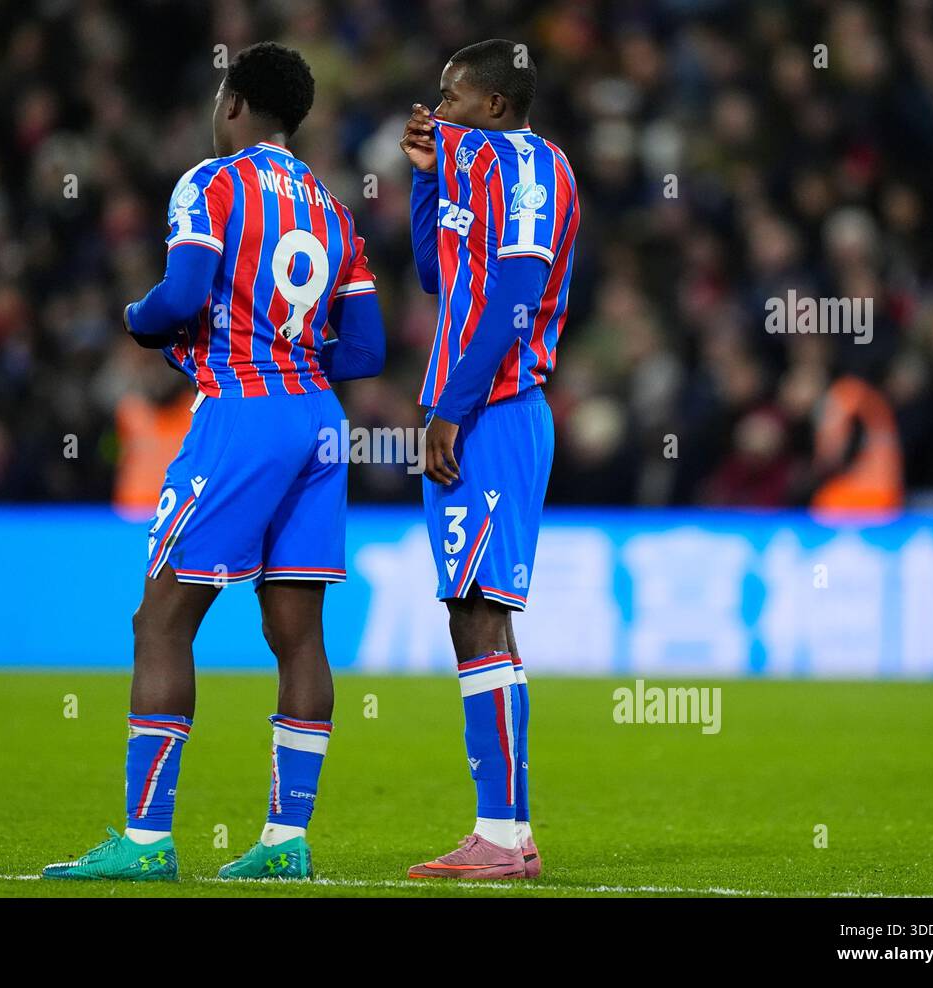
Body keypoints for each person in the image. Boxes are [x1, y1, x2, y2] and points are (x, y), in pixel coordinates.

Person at [43, 42, 384, 882]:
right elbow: (368, 347)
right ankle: (284, 841)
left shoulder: (210, 181)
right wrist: (293, 356)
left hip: (243, 413)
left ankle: (147, 841)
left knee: (160, 619)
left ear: (233, 103)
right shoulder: (333, 211)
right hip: (320, 421)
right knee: (298, 635)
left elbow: (184, 293)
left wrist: (139, 317)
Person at [400, 39, 578, 879]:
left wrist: (450, 408)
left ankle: (506, 836)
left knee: (482, 612)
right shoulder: (479, 167)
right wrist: (427, 178)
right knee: (468, 609)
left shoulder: (527, 168)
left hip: (495, 413)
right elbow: (439, 277)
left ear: (498, 106)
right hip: (474, 410)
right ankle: (498, 830)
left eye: (452, 98)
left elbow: (511, 295)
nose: (436, 110)